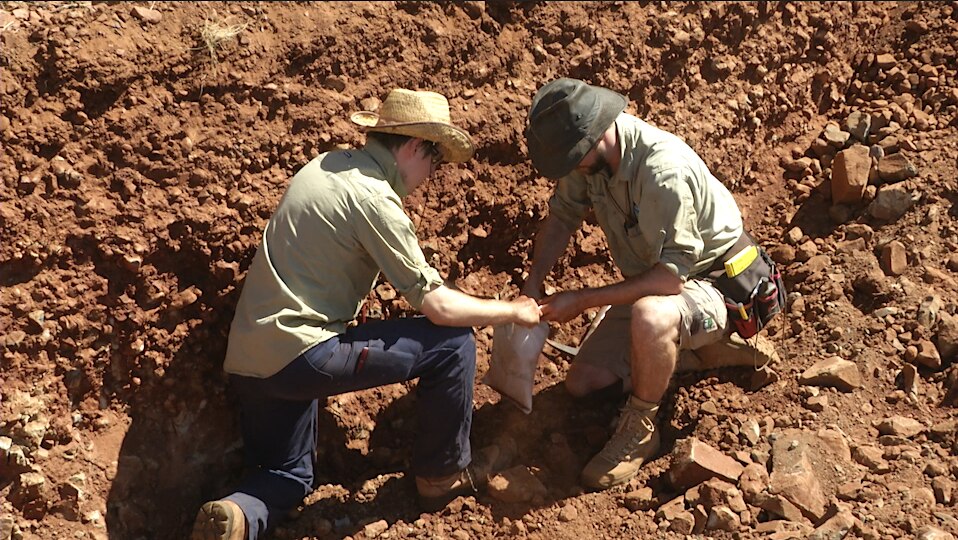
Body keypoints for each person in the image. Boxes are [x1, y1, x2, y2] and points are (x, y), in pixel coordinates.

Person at [192, 88, 541, 540]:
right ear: (415, 147)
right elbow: (436, 304)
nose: (431, 175)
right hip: (304, 352)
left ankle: (236, 514)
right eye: (435, 161)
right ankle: (440, 479)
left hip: (251, 363)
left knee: (289, 474)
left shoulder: (325, 165)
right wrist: (512, 310)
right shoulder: (373, 198)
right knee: (453, 345)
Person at [521, 78, 778, 490]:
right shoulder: (588, 157)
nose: (570, 169)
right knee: (583, 382)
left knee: (651, 315)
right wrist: (534, 281)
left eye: (573, 159)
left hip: (718, 286)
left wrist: (584, 300)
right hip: (663, 283)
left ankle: (640, 427)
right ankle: (694, 352)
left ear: (597, 133)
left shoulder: (661, 170)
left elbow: (669, 279)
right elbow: (562, 217)